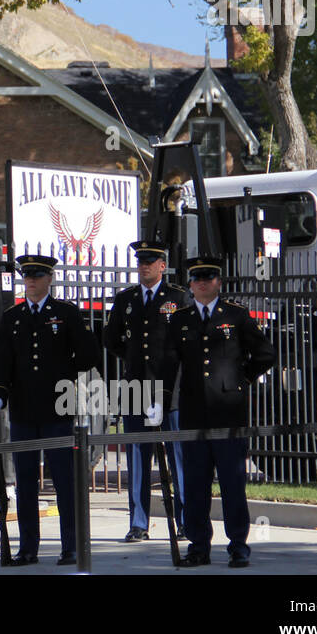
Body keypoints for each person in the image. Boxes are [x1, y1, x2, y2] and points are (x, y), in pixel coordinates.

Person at [0, 253, 100, 566]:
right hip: (23, 410)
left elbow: (89, 353)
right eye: (27, 275)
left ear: (50, 278)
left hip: (57, 409)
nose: (31, 281)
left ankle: (71, 545)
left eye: (37, 275)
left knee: (64, 480)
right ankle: (28, 547)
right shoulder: (13, 318)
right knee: (24, 482)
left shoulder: (65, 313)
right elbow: (2, 362)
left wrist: (63, 372)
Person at [163, 257, 274, 568]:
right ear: (190, 284)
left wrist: (243, 378)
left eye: (209, 277)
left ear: (219, 283)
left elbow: (266, 353)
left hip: (228, 413)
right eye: (197, 278)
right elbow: (169, 364)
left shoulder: (235, 315)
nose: (202, 283)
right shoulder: (180, 319)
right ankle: (198, 546)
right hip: (194, 413)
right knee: (196, 484)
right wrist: (161, 399)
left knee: (232, 483)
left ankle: (238, 545)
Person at [102, 240, 186, 541]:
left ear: (162, 265)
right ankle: (138, 523)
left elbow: (185, 344)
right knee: (137, 457)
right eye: (140, 261)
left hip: (171, 390)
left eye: (150, 261)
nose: (144, 266)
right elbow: (111, 339)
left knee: (178, 458)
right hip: (137, 387)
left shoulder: (178, 298)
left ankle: (185, 521)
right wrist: (133, 360)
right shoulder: (126, 299)